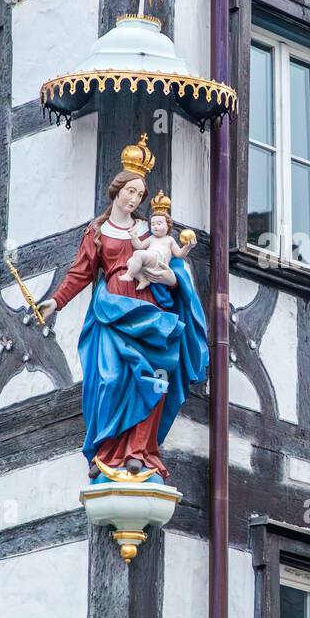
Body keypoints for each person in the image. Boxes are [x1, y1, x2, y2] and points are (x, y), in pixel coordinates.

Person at [36, 136, 207, 482]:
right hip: (112, 311)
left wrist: (174, 282)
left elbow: (176, 270)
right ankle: (110, 451)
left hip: (148, 307)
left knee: (154, 377)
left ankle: (140, 451)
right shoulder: (97, 232)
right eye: (130, 191)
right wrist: (55, 301)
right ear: (117, 190)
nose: (134, 199)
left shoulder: (149, 232)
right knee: (111, 379)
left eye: (139, 195)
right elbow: (81, 273)